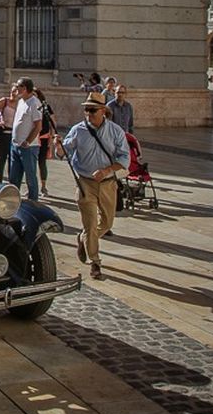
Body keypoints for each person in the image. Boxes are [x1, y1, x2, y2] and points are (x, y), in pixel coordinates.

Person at [56, 91, 130, 281]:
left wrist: (106, 171)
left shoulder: (115, 131)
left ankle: (84, 239)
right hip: (85, 183)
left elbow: (125, 159)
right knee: (90, 224)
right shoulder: (78, 130)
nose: (88, 114)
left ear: (103, 111)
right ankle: (95, 262)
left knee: (107, 223)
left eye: (92, 110)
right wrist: (57, 147)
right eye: (86, 110)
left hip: (107, 184)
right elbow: (64, 151)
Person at [9, 78, 42, 202]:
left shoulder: (34, 103)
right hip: (15, 145)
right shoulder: (21, 101)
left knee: (30, 177)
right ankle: (13, 201)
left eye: (19, 87)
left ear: (26, 88)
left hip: (28, 147)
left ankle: (33, 201)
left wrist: (28, 141)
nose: (16, 89)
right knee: (14, 177)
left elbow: (38, 125)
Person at [35, 88, 54, 197]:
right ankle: (32, 187)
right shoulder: (28, 107)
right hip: (32, 139)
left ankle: (43, 187)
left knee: (42, 163)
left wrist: (51, 139)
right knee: (31, 165)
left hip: (43, 138)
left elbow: (52, 122)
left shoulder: (46, 107)